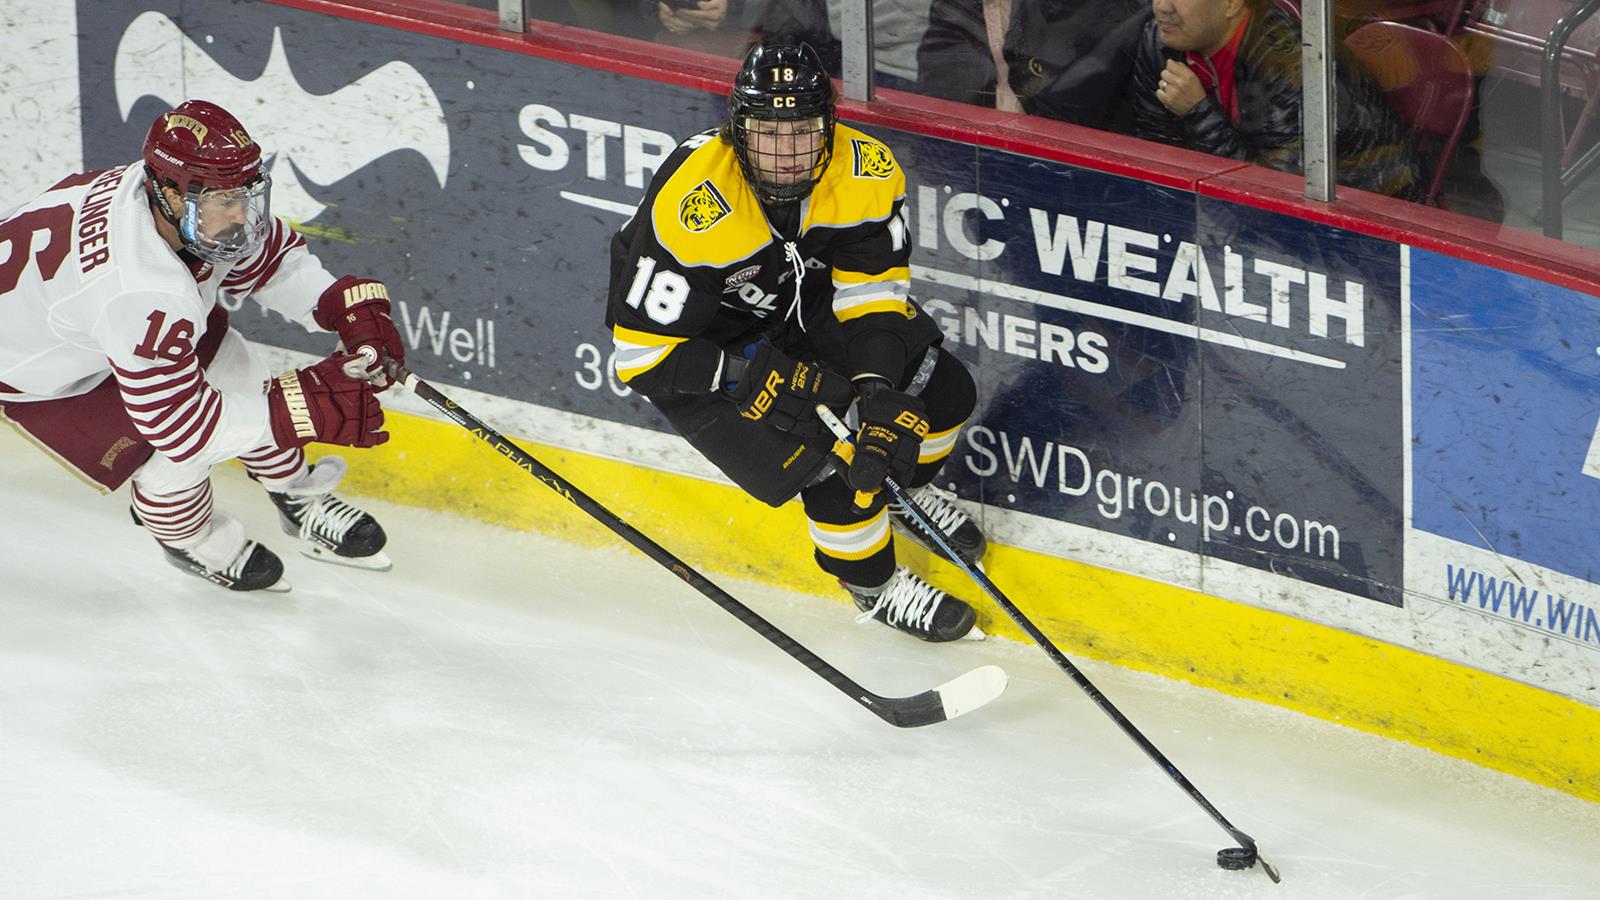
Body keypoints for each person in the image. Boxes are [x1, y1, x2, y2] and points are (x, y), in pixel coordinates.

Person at [605, 42, 987, 642]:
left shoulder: (865, 169)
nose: (787, 154)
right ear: (737, 130)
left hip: (798, 301)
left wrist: (877, 387)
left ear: (829, 127)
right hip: (705, 346)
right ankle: (875, 584)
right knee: (835, 463)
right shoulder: (693, 206)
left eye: (804, 132)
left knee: (943, 391)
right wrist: (755, 380)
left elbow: (871, 291)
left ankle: (902, 495)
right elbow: (641, 358)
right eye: (767, 133)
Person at [0, 99, 406, 592]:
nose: (239, 214)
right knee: (172, 462)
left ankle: (296, 495)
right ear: (167, 192)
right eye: (221, 201)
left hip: (88, 317)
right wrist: (300, 410)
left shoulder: (162, 195)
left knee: (240, 373)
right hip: (45, 376)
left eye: (245, 195)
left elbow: (270, 260)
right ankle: (194, 541)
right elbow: (179, 428)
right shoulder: (141, 286)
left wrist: (339, 307)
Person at [1130, 0, 1419, 198]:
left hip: (1362, 215)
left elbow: (1275, 192)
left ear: (1231, 3)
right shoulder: (1162, 40)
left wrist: (1197, 113)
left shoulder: (1289, 63)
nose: (1162, 7)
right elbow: (1155, 145)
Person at [919, 0, 1147, 128]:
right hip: (973, 173)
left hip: (1066, 183)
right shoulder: (958, 8)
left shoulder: (1113, 14)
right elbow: (939, 109)